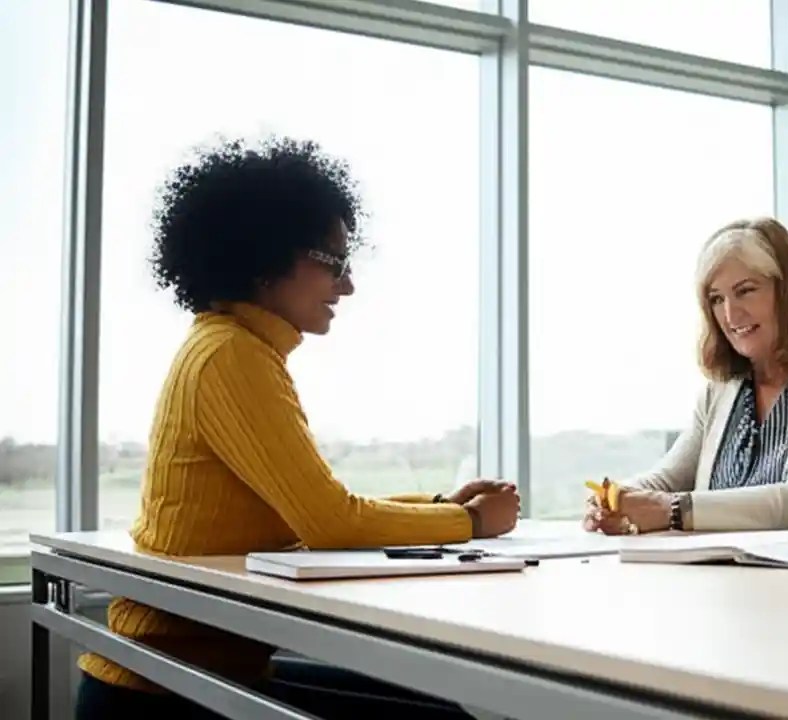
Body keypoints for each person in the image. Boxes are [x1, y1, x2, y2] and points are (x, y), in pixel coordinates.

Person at [75, 136, 519, 719]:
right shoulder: (230, 357)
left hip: (188, 674)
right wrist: (466, 522)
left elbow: (310, 508)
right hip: (164, 693)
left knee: (438, 707)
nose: (348, 285)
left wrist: (438, 504)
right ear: (263, 261)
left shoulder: (233, 347)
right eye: (332, 262)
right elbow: (330, 520)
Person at [584, 217, 788, 535]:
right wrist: (614, 499)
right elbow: (667, 479)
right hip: (722, 581)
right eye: (717, 299)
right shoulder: (722, 390)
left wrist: (672, 511)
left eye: (745, 291)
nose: (730, 315)